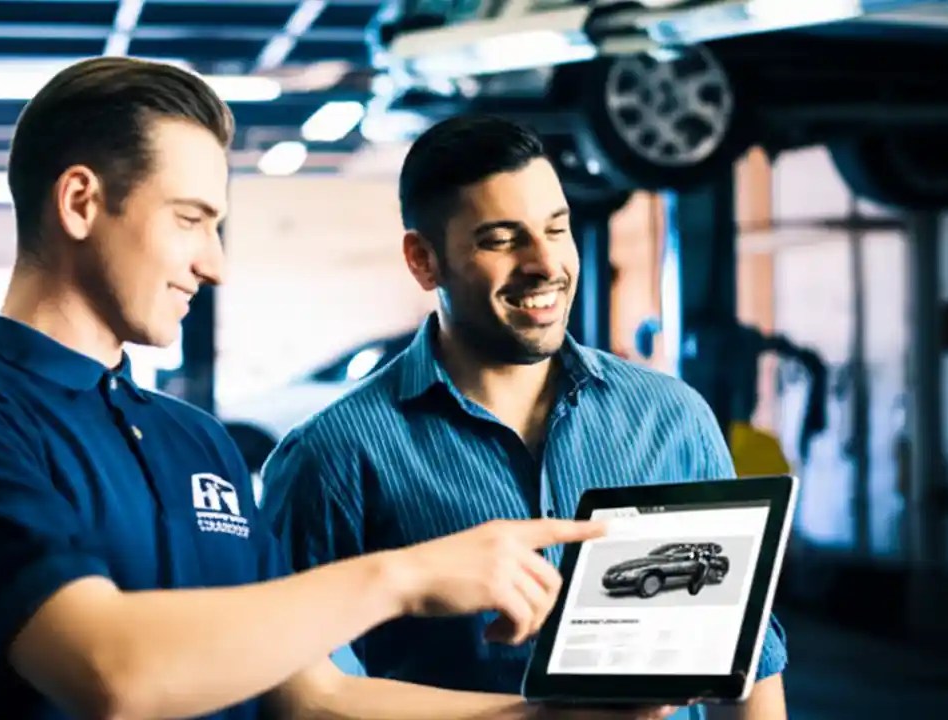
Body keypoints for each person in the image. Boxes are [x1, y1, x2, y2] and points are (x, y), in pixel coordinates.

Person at [0, 57, 669, 720]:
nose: (215, 263)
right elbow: (110, 670)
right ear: (81, 202)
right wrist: (405, 575)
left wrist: (556, 717)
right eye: (190, 219)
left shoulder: (196, 441)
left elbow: (309, 698)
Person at [259, 115, 790, 720]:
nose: (544, 263)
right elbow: (292, 696)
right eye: (501, 239)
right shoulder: (333, 457)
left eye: (556, 229)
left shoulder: (671, 418)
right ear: (424, 261)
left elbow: (752, 658)